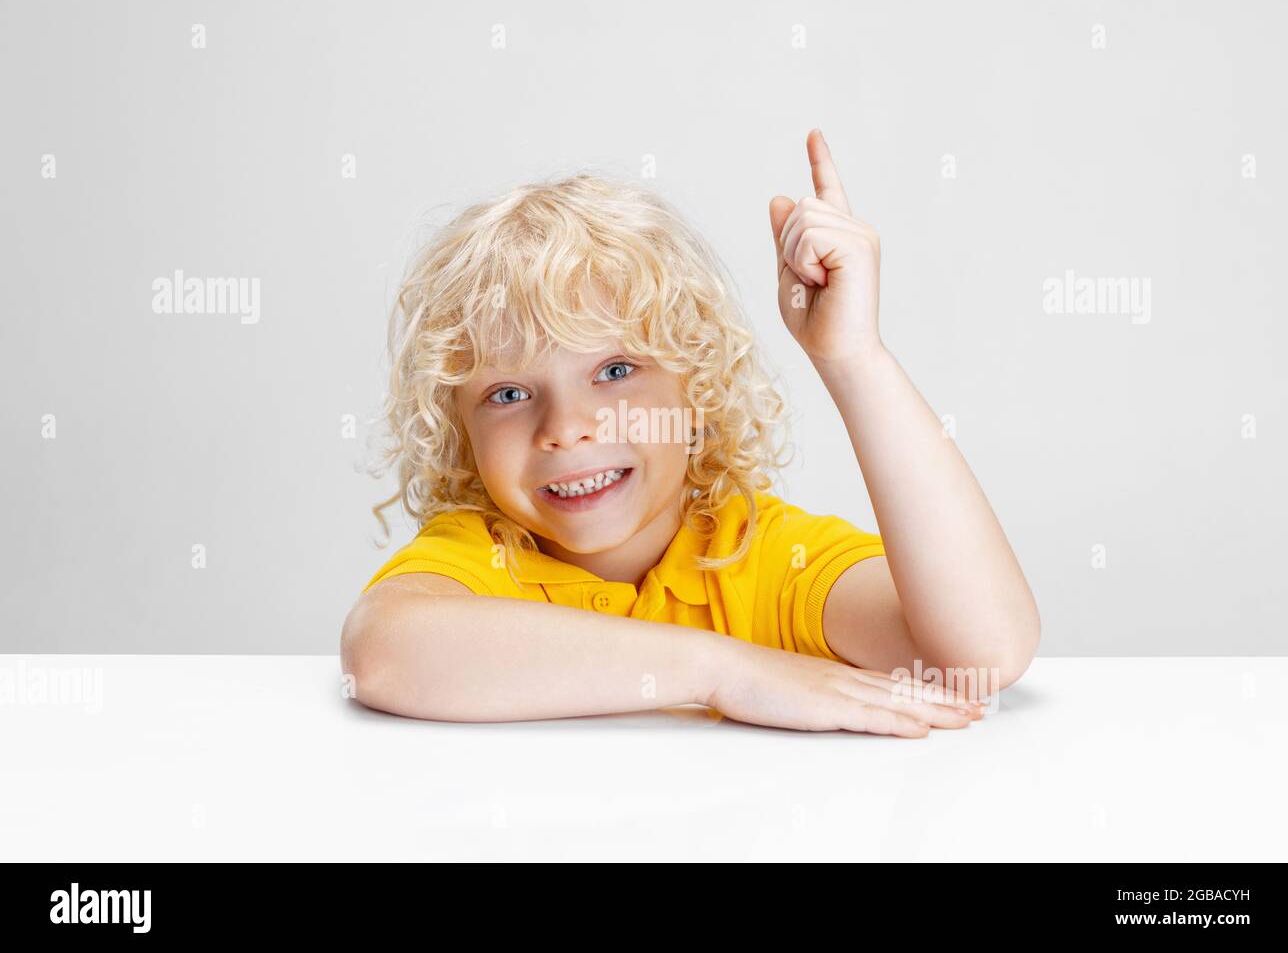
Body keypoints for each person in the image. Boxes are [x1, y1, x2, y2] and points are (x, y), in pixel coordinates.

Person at [341, 129, 1039, 736]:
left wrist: (854, 358)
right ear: (462, 430)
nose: (567, 428)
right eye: (510, 392)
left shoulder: (757, 557)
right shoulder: (483, 557)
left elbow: (982, 655)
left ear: (697, 388)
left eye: (614, 369)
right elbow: (382, 651)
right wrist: (722, 672)